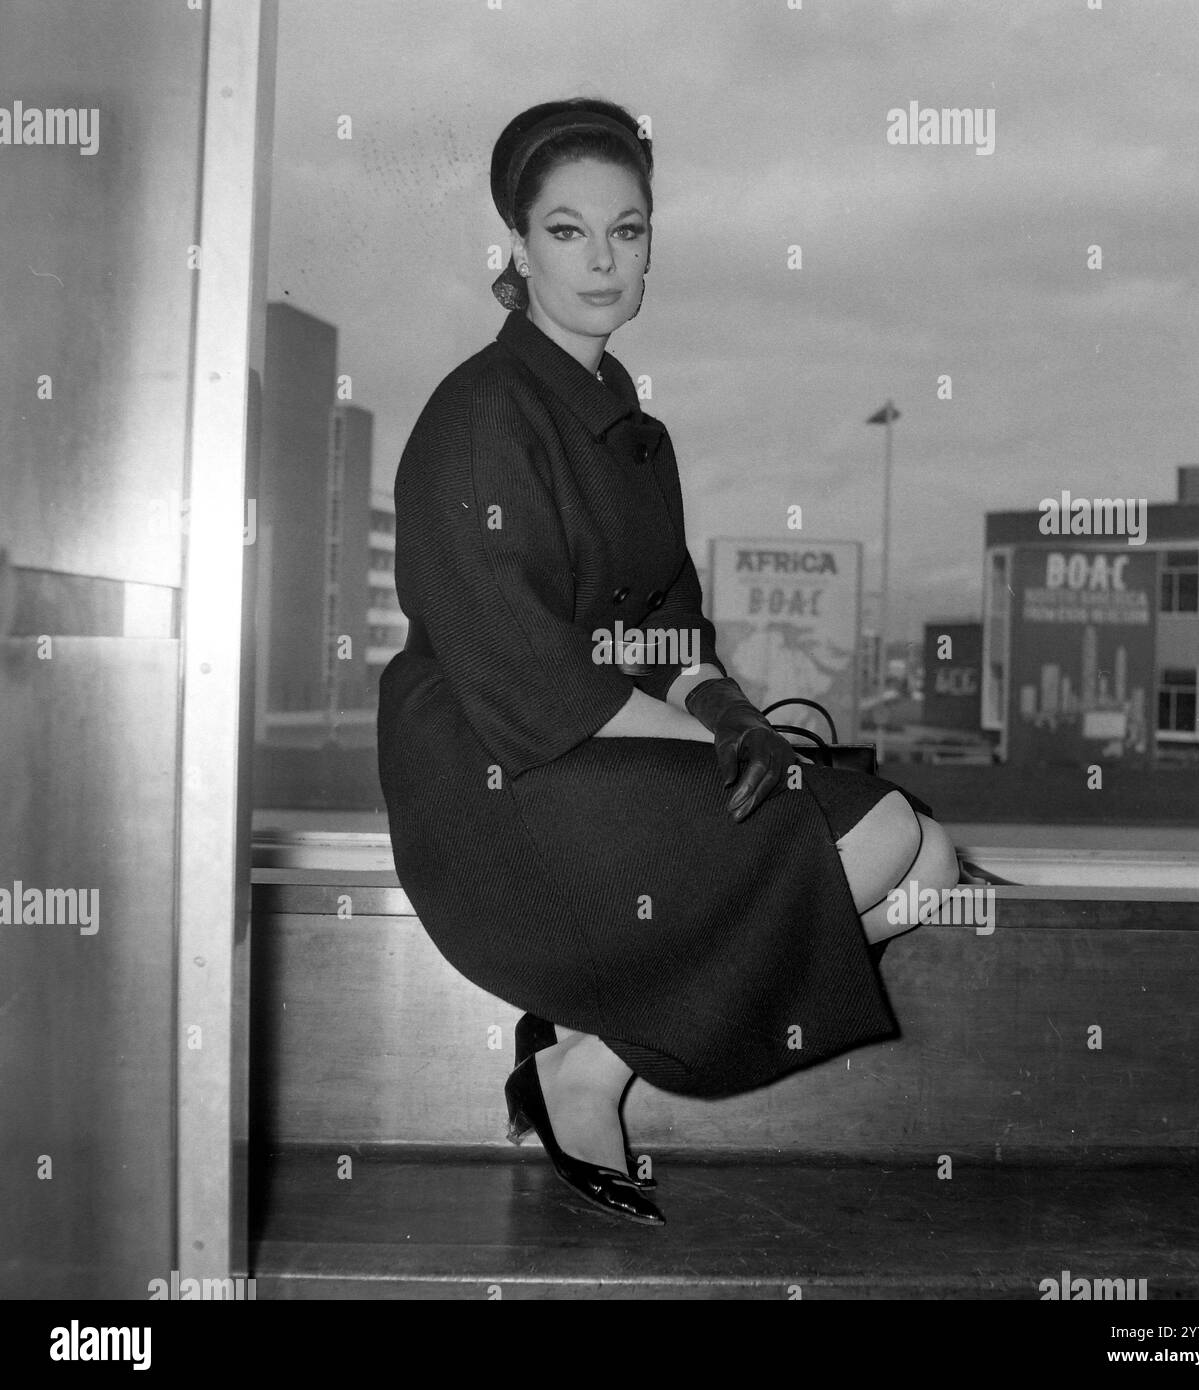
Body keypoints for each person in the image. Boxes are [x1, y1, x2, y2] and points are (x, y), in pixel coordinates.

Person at [377, 97, 961, 1226]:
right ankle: (583, 1068)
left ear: (649, 244)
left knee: (928, 865)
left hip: (602, 748)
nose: (601, 260)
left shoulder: (637, 430)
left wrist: (723, 702)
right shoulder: (478, 413)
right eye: (566, 230)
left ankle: (587, 1064)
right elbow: (526, 680)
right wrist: (716, 736)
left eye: (627, 230)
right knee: (886, 832)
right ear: (516, 244)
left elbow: (671, 628)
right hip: (494, 776)